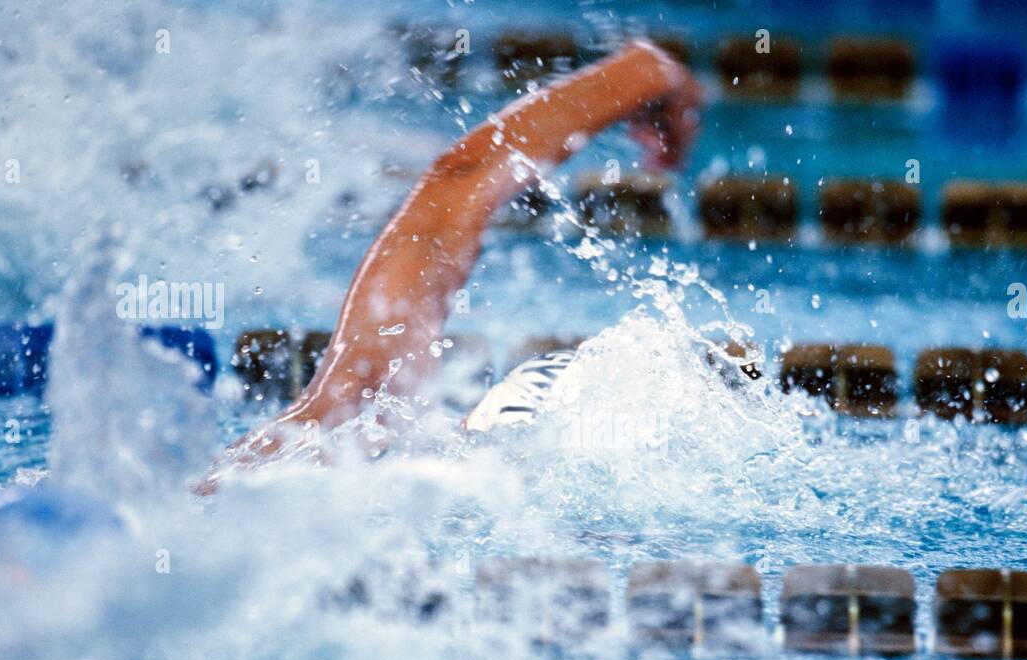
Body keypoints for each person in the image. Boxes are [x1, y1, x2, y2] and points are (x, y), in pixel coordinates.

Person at [202, 41, 702, 490]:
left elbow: (457, 182)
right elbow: (459, 179)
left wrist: (643, 74)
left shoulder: (344, 417)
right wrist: (645, 74)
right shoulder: (362, 411)